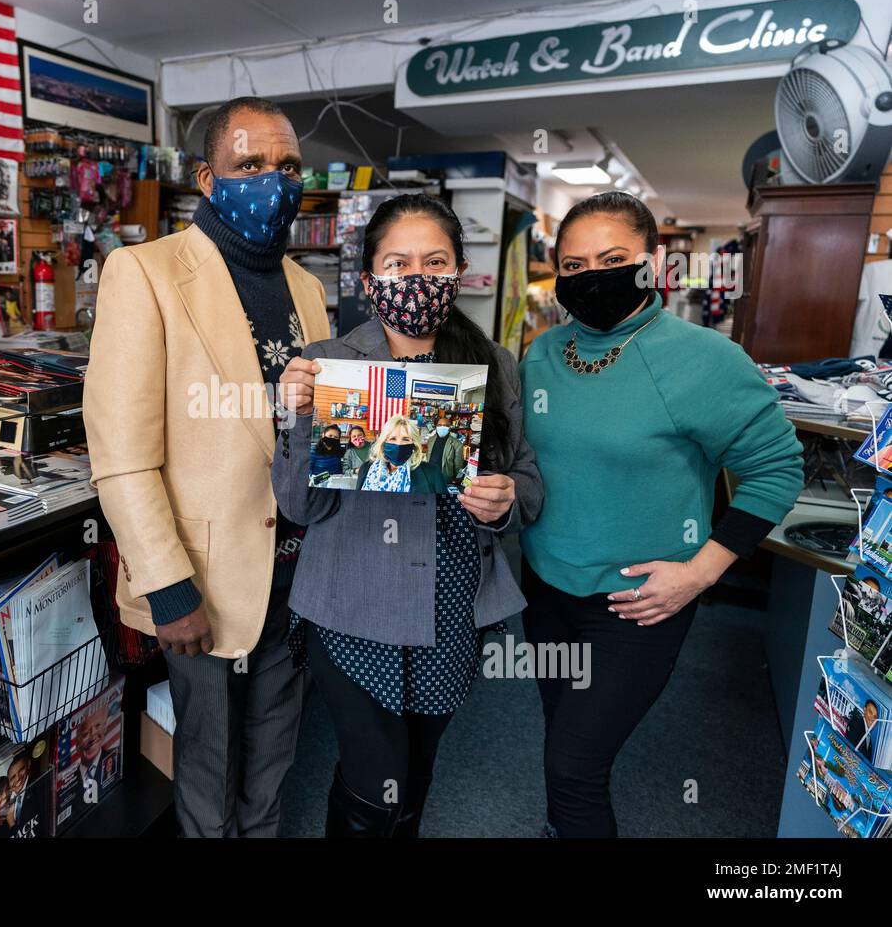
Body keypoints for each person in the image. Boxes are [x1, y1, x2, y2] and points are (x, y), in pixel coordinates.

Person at [519, 190, 804, 838]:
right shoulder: (540, 352)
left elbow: (778, 469)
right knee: (562, 732)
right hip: (546, 589)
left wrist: (700, 574)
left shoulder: (705, 359)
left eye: (612, 257)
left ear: (651, 261)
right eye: (572, 265)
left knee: (573, 768)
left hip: (639, 605)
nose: (591, 276)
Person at [83, 96, 330, 837]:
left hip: (296, 576)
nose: (273, 180)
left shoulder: (309, 290)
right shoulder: (144, 273)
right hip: (204, 580)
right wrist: (166, 587)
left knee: (273, 762)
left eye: (287, 166)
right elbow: (122, 457)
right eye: (250, 164)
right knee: (207, 769)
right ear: (208, 177)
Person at [273, 192, 541, 836]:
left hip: (450, 609)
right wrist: (297, 416)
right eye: (397, 263)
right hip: (351, 608)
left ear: (458, 274)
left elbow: (528, 487)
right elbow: (300, 504)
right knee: (376, 784)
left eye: (435, 261)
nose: (416, 277)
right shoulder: (331, 362)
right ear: (369, 279)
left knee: (416, 770)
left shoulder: (494, 365)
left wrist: (503, 500)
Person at [355, 414, 449, 494]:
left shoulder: (432, 473)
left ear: (414, 445)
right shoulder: (366, 469)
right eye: (392, 438)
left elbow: (444, 510)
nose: (398, 444)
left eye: (405, 439)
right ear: (383, 443)